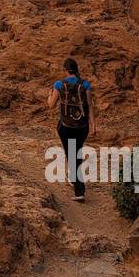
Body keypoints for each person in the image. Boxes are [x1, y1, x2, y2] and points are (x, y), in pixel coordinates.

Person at [48, 56, 95, 201]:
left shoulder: (59, 85)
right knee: (76, 152)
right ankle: (73, 178)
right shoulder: (85, 84)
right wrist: (93, 124)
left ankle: (79, 192)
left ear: (65, 70)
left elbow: (51, 104)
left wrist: (49, 95)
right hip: (82, 126)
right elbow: (89, 105)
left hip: (65, 126)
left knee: (73, 155)